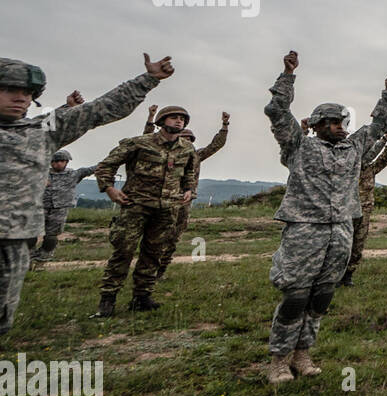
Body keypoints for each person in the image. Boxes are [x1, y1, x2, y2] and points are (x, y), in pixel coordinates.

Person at [1, 53, 173, 333]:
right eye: (10, 89)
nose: (21, 97)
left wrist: (149, 79)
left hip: (14, 237)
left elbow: (100, 110)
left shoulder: (41, 130)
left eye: (27, 92)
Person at [262, 51, 387, 384]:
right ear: (319, 125)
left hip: (341, 230)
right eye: (334, 123)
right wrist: (288, 75)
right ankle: (279, 359)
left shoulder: (352, 149)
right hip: (305, 229)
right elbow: (277, 111)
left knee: (322, 295)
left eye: (342, 123)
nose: (341, 127)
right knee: (295, 296)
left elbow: (377, 126)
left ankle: (302, 353)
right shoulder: (299, 146)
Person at [93, 105, 200, 315]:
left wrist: (189, 190)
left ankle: (142, 297)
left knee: (154, 254)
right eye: (173, 118)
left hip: (167, 209)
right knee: (123, 251)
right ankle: (108, 299)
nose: (179, 121)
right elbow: (106, 165)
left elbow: (189, 172)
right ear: (161, 121)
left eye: (182, 119)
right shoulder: (140, 143)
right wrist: (109, 188)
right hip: (135, 206)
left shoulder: (187, 149)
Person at [143, 107, 230, 280]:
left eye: (190, 139)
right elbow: (146, 139)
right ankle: (147, 271)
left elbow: (216, 145)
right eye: (184, 138)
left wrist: (225, 125)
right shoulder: (162, 152)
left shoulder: (196, 156)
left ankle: (160, 272)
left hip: (184, 202)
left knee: (174, 237)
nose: (187, 141)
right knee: (154, 237)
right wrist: (151, 118)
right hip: (161, 200)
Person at [342, 129, 387, 286]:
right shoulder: (345, 167)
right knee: (341, 244)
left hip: (364, 211)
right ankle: (332, 275)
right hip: (345, 211)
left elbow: (385, 158)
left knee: (358, 244)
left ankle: (348, 275)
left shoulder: (369, 169)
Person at [32, 150, 97, 262]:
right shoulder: (41, 174)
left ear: (66, 162)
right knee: (30, 233)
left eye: (62, 161)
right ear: (51, 162)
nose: (58, 163)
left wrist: (115, 159)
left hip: (59, 209)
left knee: (51, 236)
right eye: (55, 161)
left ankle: (44, 257)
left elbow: (93, 169)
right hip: (39, 207)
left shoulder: (73, 174)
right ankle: (28, 255)